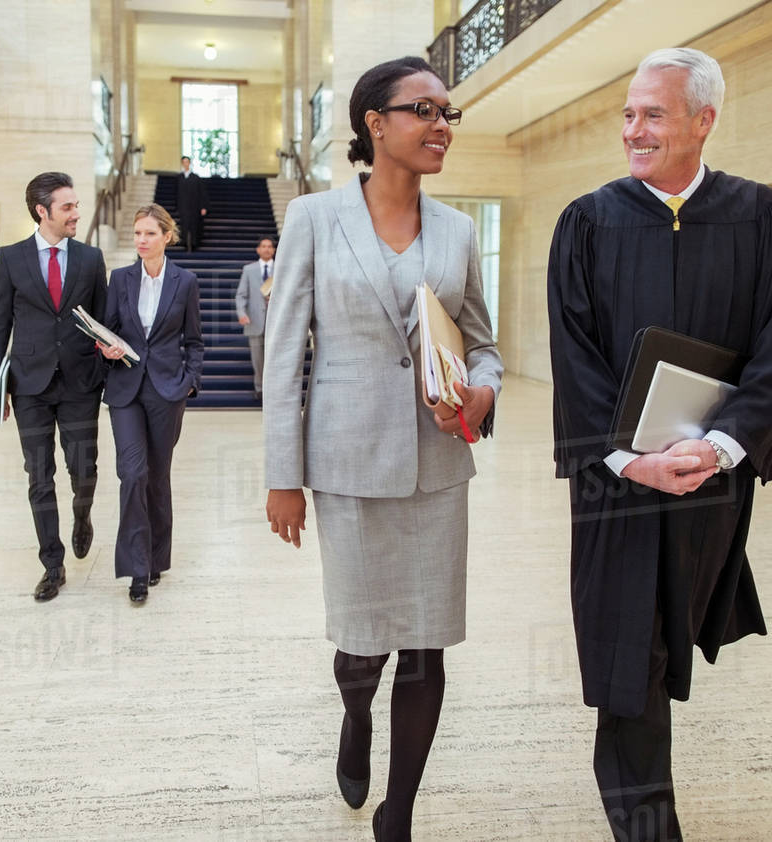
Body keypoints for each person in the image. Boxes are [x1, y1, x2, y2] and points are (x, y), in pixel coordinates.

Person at [546, 48, 772, 841]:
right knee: (631, 658)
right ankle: (648, 826)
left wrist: (723, 447)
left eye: (652, 114)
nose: (633, 129)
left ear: (704, 120)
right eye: (628, 114)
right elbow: (572, 355)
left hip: (708, 481)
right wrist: (630, 459)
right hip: (617, 485)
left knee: (671, 635)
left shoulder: (762, 219)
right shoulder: (588, 222)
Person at [264, 57, 503, 842]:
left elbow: (483, 344)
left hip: (438, 472)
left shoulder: (460, 230)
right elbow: (284, 355)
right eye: (424, 111)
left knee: (428, 647)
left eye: (448, 113)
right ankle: (355, 714)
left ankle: (398, 812)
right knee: (363, 648)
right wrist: (282, 477)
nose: (442, 126)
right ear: (375, 123)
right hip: (348, 466)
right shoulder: (312, 217)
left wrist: (483, 391)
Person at [0, 172, 107, 602]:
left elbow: (103, 321)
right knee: (39, 476)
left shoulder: (91, 259)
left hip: (80, 382)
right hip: (29, 384)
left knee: (83, 470)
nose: (76, 213)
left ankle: (82, 514)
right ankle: (52, 566)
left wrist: (109, 362)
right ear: (42, 211)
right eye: (68, 207)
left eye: (76, 205)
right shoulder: (11, 258)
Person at [97, 205, 204, 604]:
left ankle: (157, 558)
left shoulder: (185, 281)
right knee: (132, 473)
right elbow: (107, 329)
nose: (141, 240)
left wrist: (190, 382)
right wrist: (103, 350)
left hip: (166, 391)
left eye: (149, 233)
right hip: (125, 389)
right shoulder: (120, 278)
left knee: (157, 477)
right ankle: (137, 569)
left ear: (166, 237)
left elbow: (194, 340)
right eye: (137, 233)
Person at [235, 236, 276, 401]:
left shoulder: (282, 269)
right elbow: (241, 295)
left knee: (274, 358)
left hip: (277, 322)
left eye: (269, 246)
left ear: (273, 250)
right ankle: (260, 389)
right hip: (254, 321)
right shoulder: (249, 269)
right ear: (258, 250)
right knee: (258, 359)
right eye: (263, 246)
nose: (266, 249)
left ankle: (274, 389)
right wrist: (242, 313)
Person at [175, 155, 209, 251]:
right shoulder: (179, 178)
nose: (185, 164)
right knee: (184, 225)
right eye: (184, 162)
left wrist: (203, 207)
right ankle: (185, 243)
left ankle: (194, 244)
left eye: (187, 162)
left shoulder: (196, 178)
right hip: (184, 207)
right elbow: (177, 193)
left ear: (189, 163)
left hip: (195, 206)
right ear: (182, 164)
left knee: (194, 226)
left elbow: (202, 193)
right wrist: (178, 206)